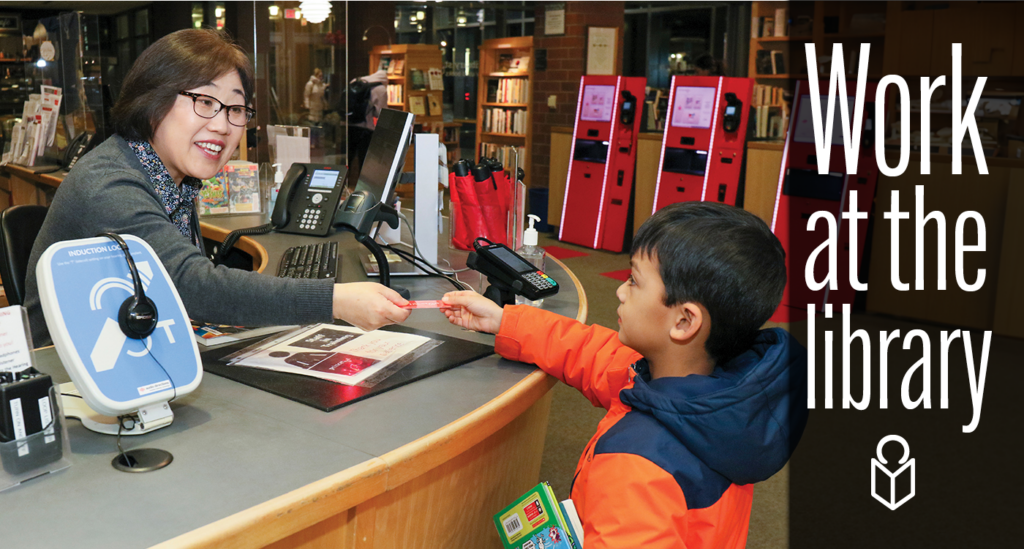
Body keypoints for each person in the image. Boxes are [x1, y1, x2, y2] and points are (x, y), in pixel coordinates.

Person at [441, 202, 807, 548]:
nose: (619, 291)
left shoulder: (635, 466)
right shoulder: (721, 401)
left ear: (684, 321)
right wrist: (505, 322)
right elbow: (594, 353)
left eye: (633, 280)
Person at [23, 29, 410, 347]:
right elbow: (190, 285)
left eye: (235, 109)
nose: (223, 126)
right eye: (205, 102)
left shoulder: (170, 175)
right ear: (153, 100)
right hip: (70, 373)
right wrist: (335, 300)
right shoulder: (111, 183)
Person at [347, 69, 387, 183]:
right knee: (364, 159)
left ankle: (343, 184)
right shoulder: (380, 89)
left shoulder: (355, 81)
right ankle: (362, 185)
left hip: (347, 124)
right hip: (365, 127)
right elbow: (381, 113)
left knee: (347, 156)